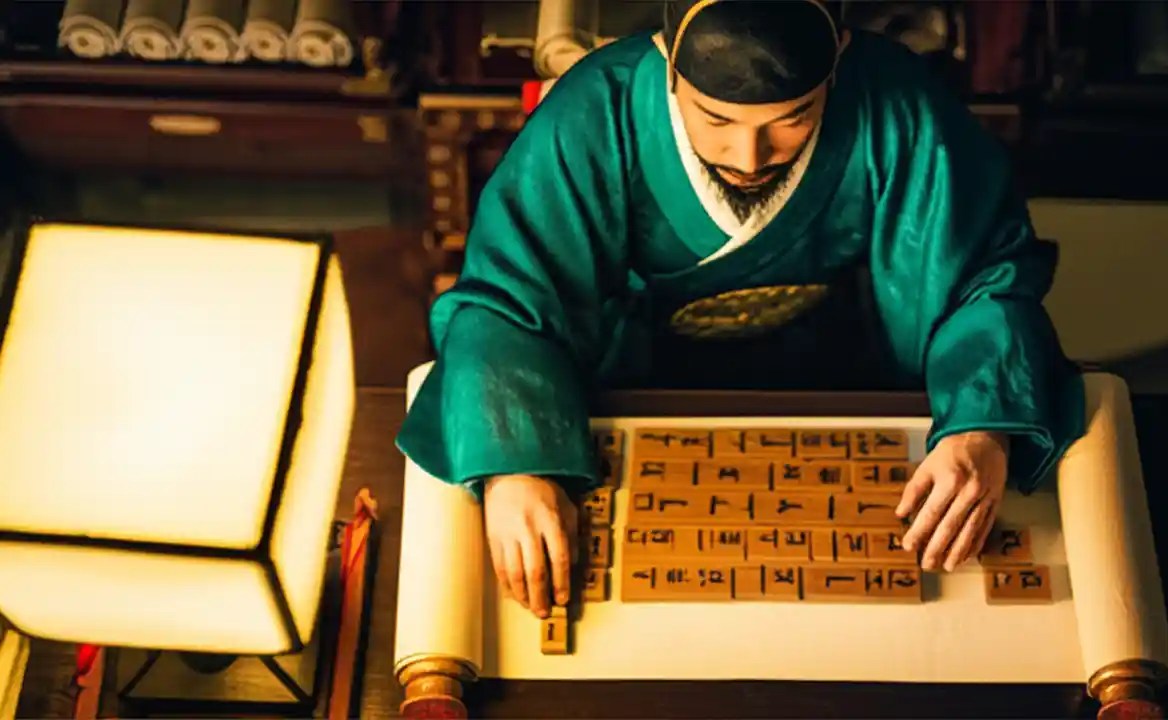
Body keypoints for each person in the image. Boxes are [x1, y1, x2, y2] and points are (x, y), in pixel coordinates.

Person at [397, 0, 1084, 619]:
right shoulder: (594, 108)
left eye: (792, 119)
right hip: (629, 387)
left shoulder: (896, 99)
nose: (748, 154)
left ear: (839, 56)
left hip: (842, 379)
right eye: (716, 119)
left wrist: (980, 428)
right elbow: (511, 296)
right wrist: (518, 460)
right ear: (667, 59)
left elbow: (979, 278)